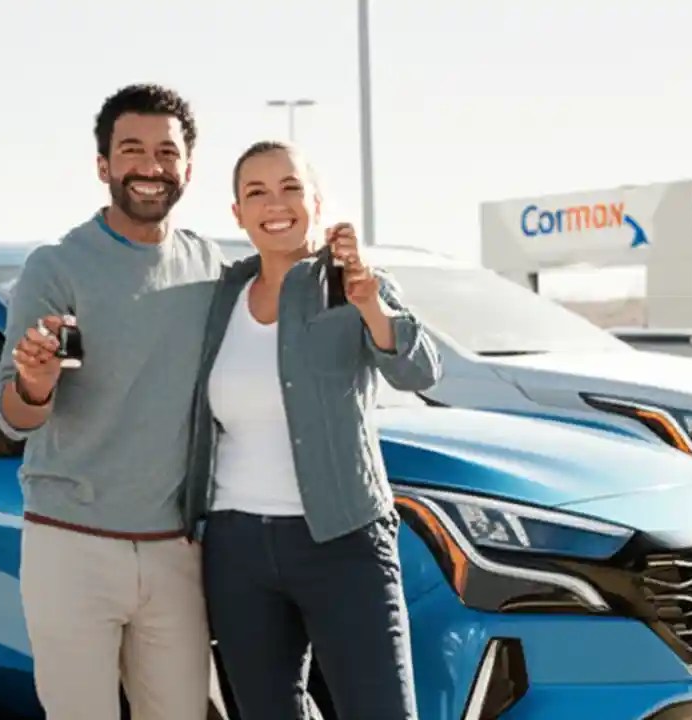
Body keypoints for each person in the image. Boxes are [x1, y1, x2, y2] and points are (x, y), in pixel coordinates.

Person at [182, 140, 441, 720]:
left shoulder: (353, 282)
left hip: (343, 539)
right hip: (236, 548)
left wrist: (371, 304)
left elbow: (420, 371)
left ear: (317, 203)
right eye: (256, 192)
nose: (275, 203)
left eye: (291, 187)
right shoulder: (221, 297)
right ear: (238, 213)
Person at [0, 84, 223, 720]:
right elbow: (12, 417)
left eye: (166, 152)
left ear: (188, 168)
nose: (151, 166)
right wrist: (35, 381)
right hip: (71, 545)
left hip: (177, 551)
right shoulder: (55, 267)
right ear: (103, 165)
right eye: (132, 150)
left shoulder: (211, 269)